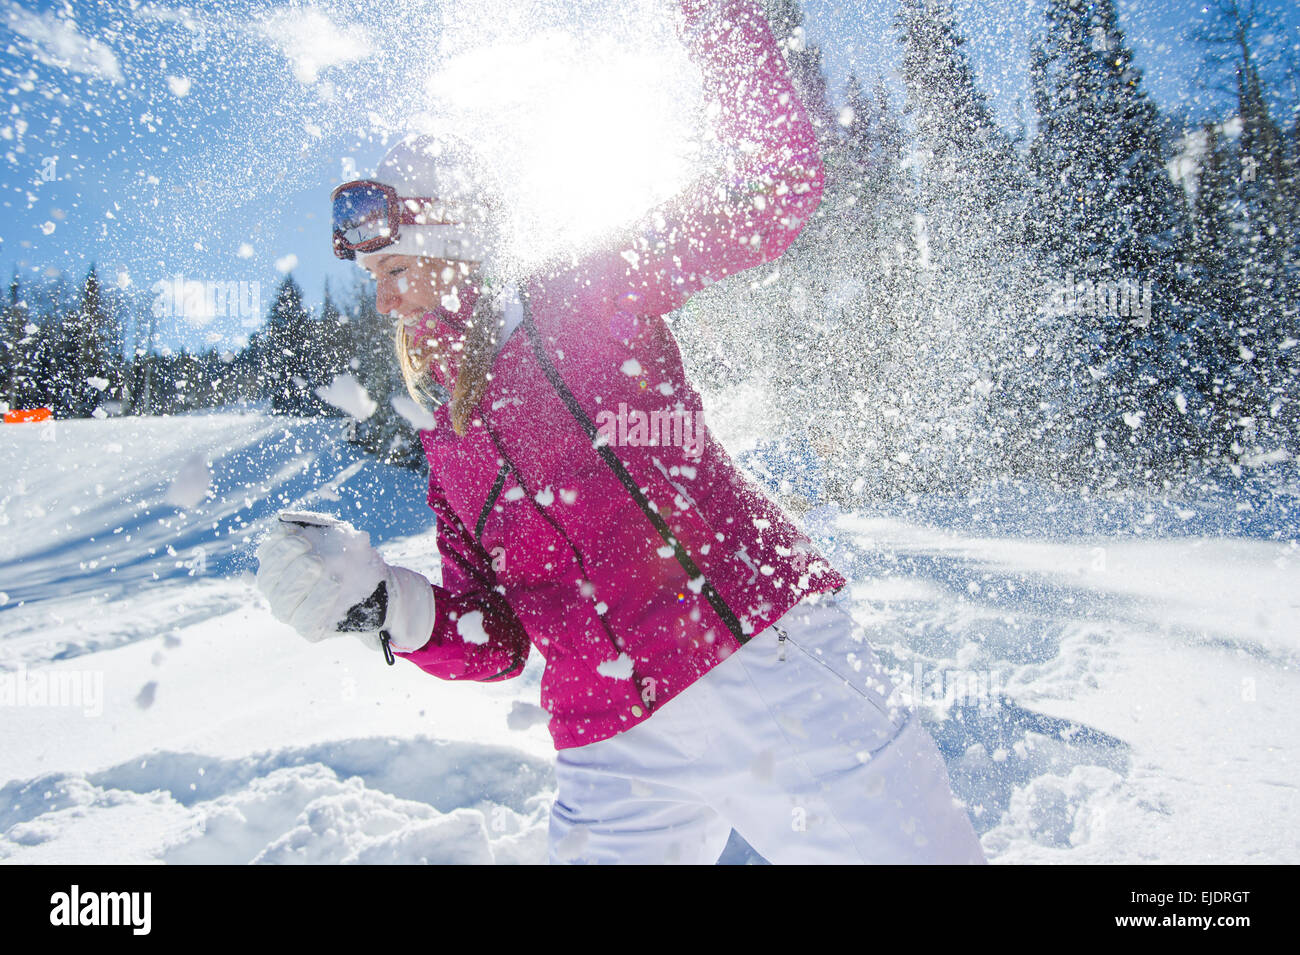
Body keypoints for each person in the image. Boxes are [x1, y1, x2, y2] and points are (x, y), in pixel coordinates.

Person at [255, 0, 986, 865]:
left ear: (457, 240)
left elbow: (774, 184)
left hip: (763, 663)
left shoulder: (584, 296)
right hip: (611, 750)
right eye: (375, 278)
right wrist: (386, 604)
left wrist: (717, 16)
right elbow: (494, 640)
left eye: (398, 268)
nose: (383, 302)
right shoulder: (445, 438)